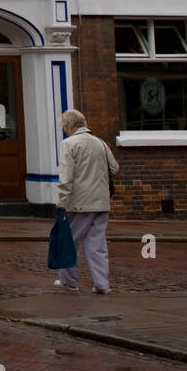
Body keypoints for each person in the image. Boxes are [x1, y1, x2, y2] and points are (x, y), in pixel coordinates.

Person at [55, 109, 117, 294]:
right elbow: (114, 168)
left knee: (70, 242)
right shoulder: (101, 143)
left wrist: (61, 202)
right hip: (101, 202)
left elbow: (66, 178)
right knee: (97, 245)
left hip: (79, 203)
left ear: (69, 126)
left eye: (64, 127)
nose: (64, 131)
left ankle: (69, 280)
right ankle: (102, 284)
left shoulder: (69, 144)